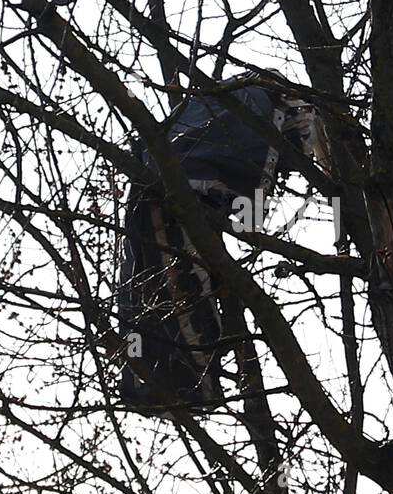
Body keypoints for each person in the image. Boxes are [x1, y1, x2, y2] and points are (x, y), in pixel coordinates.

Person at [117, 73, 324, 413]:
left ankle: (188, 380)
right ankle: (189, 380)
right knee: (177, 294)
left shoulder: (216, 111)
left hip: (168, 199)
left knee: (166, 291)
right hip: (171, 203)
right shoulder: (256, 105)